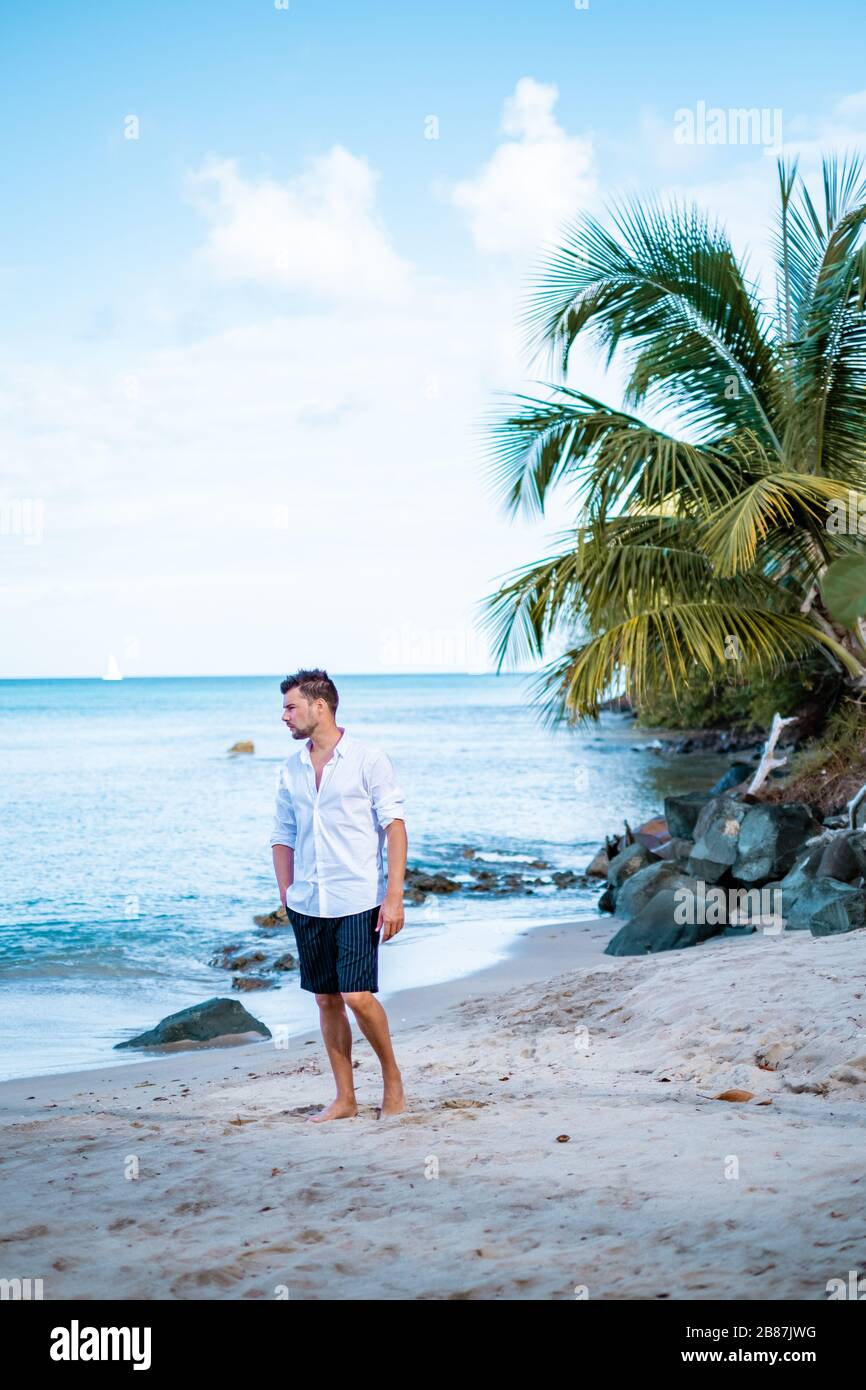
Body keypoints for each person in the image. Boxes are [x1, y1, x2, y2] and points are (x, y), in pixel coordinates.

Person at [269, 668, 408, 1122]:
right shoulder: (290, 768)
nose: (283, 716)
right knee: (326, 999)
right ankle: (345, 1098)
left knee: (356, 995)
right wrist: (286, 894)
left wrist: (394, 897)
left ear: (319, 706)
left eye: (291, 706)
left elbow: (394, 827)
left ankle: (393, 1082)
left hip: (357, 898)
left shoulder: (369, 760)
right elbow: (282, 834)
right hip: (308, 902)